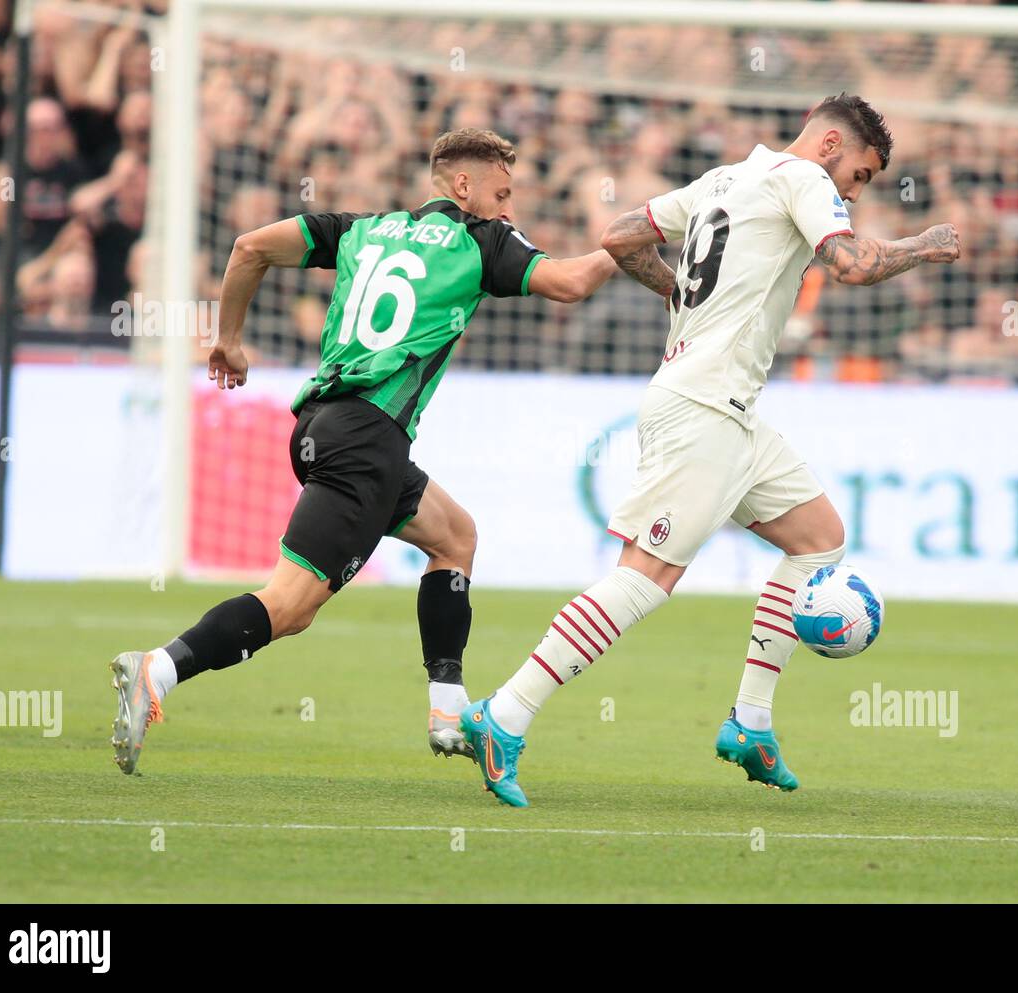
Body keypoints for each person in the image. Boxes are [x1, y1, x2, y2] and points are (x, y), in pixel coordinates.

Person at [457, 94, 960, 807]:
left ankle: (750, 721)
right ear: (827, 146)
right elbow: (849, 265)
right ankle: (503, 714)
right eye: (861, 173)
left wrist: (681, 295)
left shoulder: (725, 179)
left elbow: (621, 233)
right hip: (702, 408)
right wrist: (926, 244)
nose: (854, 190)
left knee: (820, 540)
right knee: (644, 578)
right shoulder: (805, 181)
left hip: (729, 410)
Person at [109, 127, 618, 774]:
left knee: (455, 536)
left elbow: (249, 247)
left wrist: (228, 339)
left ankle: (447, 708)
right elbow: (571, 283)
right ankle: (158, 668)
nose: (508, 208)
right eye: (501, 191)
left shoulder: (359, 229)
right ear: (463, 186)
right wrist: (622, 246)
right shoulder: (479, 239)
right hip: (369, 440)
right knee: (289, 606)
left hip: (321, 426)